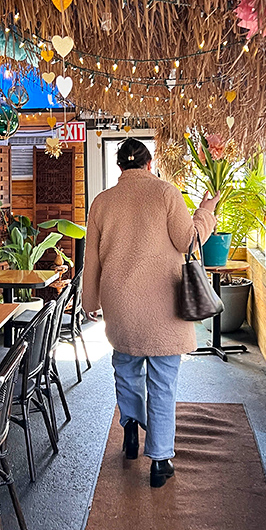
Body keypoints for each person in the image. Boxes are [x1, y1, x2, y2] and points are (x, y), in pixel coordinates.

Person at [82, 137, 219, 487]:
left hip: (120, 303)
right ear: (148, 163)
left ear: (119, 167)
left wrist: (89, 302)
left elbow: (92, 259)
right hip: (163, 306)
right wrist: (206, 211)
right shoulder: (166, 193)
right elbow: (188, 240)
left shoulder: (102, 202)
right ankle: (159, 460)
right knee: (162, 382)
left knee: (126, 370)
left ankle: (130, 429)